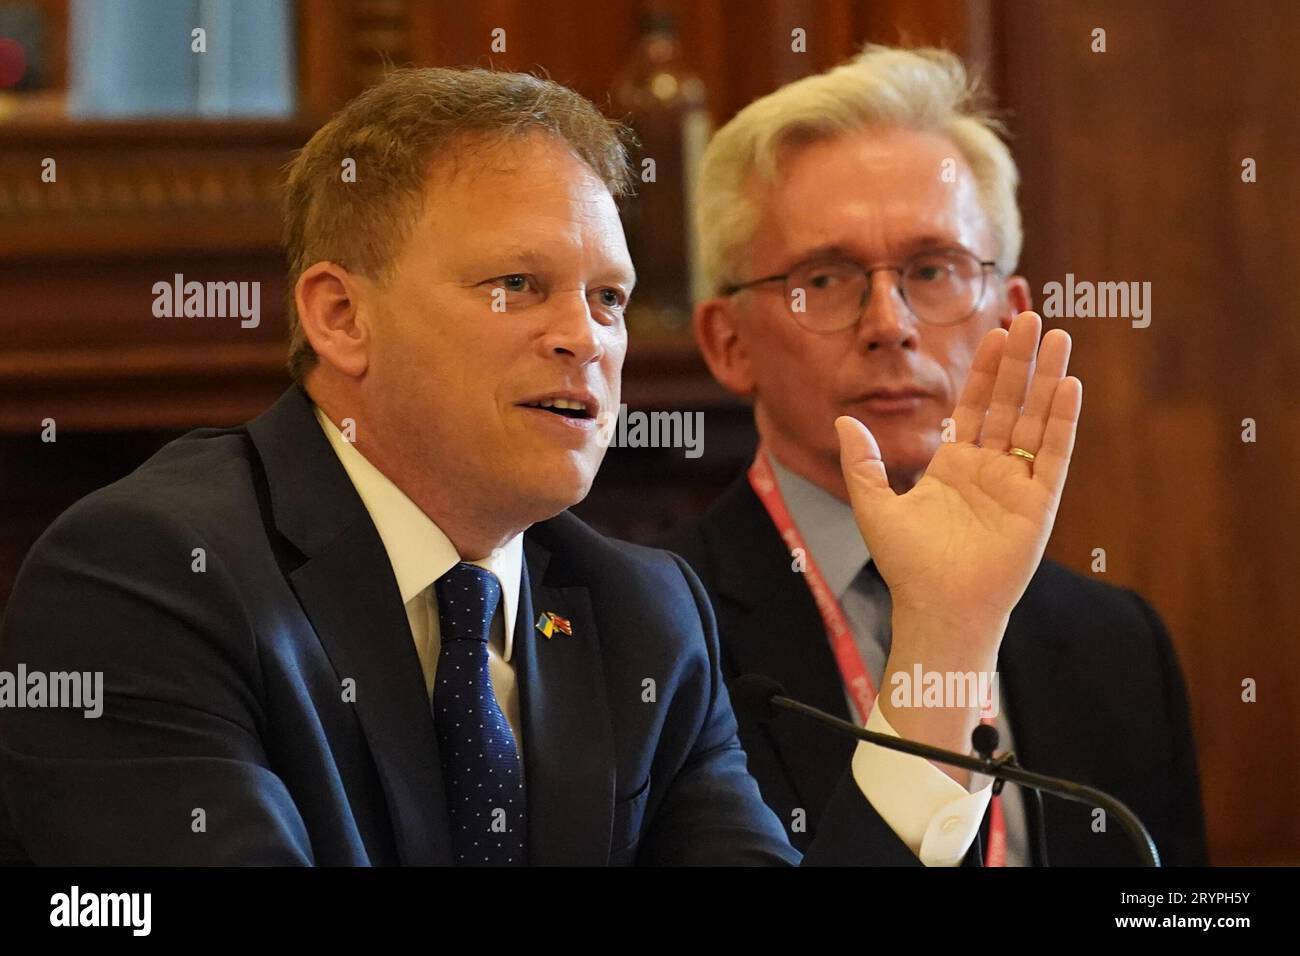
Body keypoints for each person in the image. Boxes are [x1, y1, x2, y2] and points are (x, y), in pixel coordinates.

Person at [1, 66, 1079, 866]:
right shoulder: (150, 576)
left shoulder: (643, 611)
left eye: (608, 296)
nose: (586, 339)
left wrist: (942, 636)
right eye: (518, 284)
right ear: (340, 315)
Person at [661, 45, 1206, 865]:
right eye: (826, 277)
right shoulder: (654, 631)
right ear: (728, 341)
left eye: (932, 269)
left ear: (1007, 316)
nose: (891, 322)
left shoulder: (1114, 644)